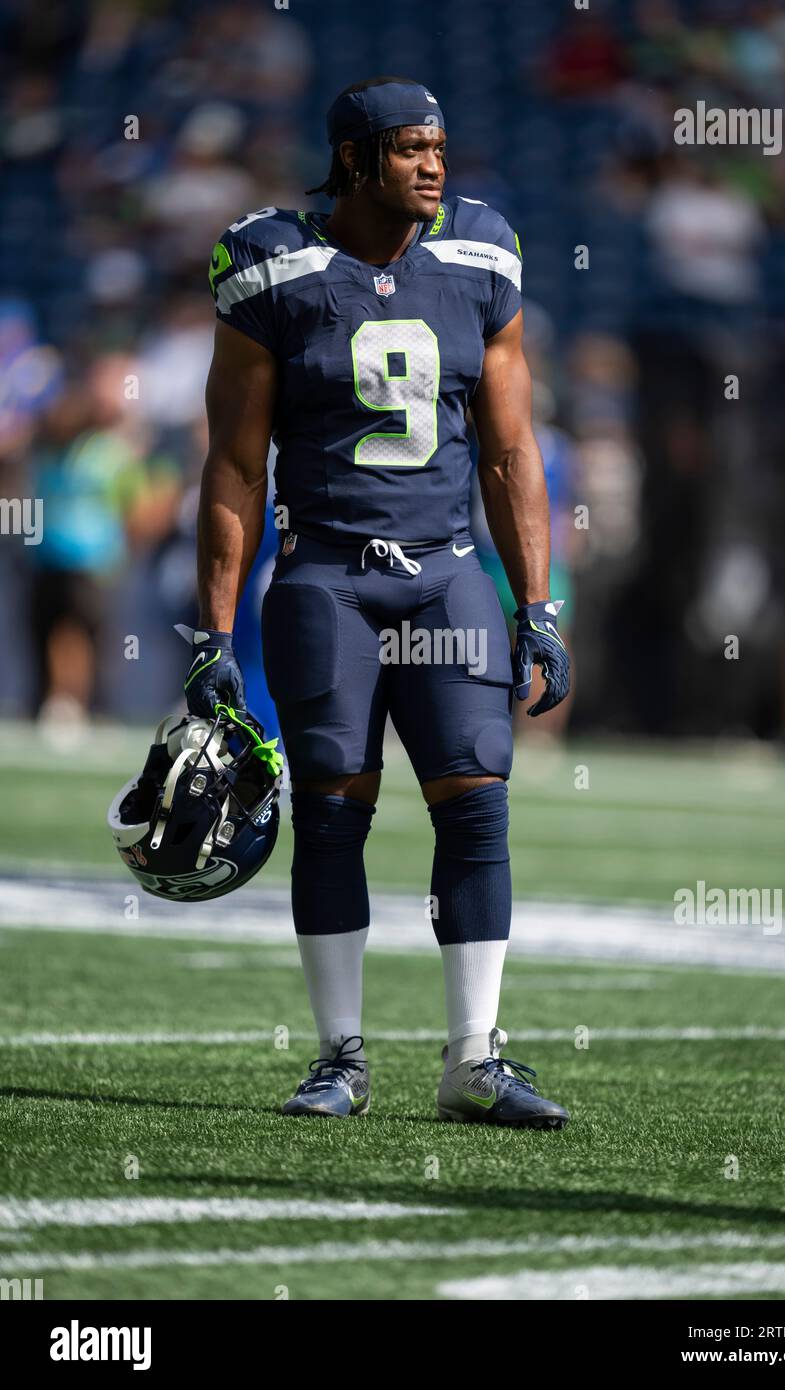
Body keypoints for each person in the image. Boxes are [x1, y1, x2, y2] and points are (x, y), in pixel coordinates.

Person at [185, 77, 571, 1127]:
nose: (433, 166)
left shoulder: (482, 251)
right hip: (327, 576)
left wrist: (537, 604)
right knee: (331, 811)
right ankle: (339, 1057)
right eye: (409, 149)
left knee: (476, 801)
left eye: (438, 147)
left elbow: (510, 450)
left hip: (447, 572)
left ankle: (474, 1059)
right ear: (353, 160)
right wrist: (212, 631)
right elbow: (234, 464)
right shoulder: (271, 261)